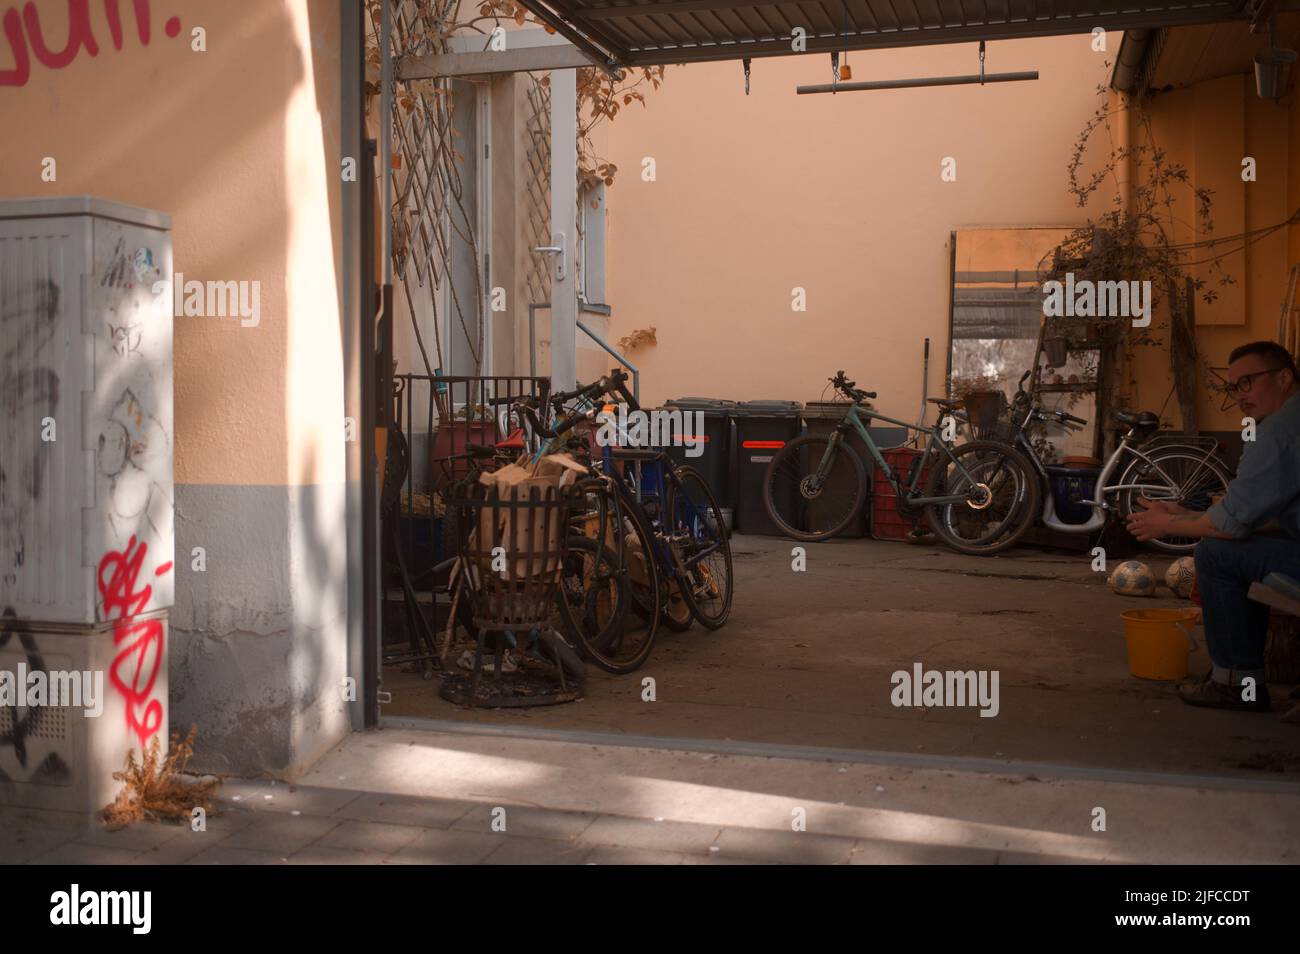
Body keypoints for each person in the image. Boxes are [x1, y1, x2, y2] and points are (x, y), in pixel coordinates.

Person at [1126, 341, 1300, 713]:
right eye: (1234, 387)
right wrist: (1183, 512)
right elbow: (1256, 516)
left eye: (1248, 382)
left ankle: (1236, 683)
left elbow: (1229, 527)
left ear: (1284, 378)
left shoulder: (1279, 433)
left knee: (1215, 553)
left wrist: (1166, 523)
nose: (1241, 396)